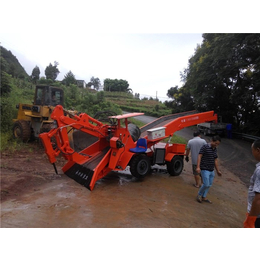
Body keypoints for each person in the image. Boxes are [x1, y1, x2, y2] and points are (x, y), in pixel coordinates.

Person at [196, 135, 222, 203]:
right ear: (212, 141)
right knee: (206, 184)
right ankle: (199, 195)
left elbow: (215, 160)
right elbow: (199, 156)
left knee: (209, 185)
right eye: (215, 143)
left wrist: (218, 170)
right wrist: (198, 167)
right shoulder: (205, 147)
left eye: (218, 144)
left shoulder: (215, 149)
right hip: (204, 169)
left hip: (211, 170)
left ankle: (204, 197)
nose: (216, 145)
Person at [243, 139, 260, 228]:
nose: (252, 152)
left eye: (252, 150)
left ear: (258, 150)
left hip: (257, 216)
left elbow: (258, 199)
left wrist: (251, 220)